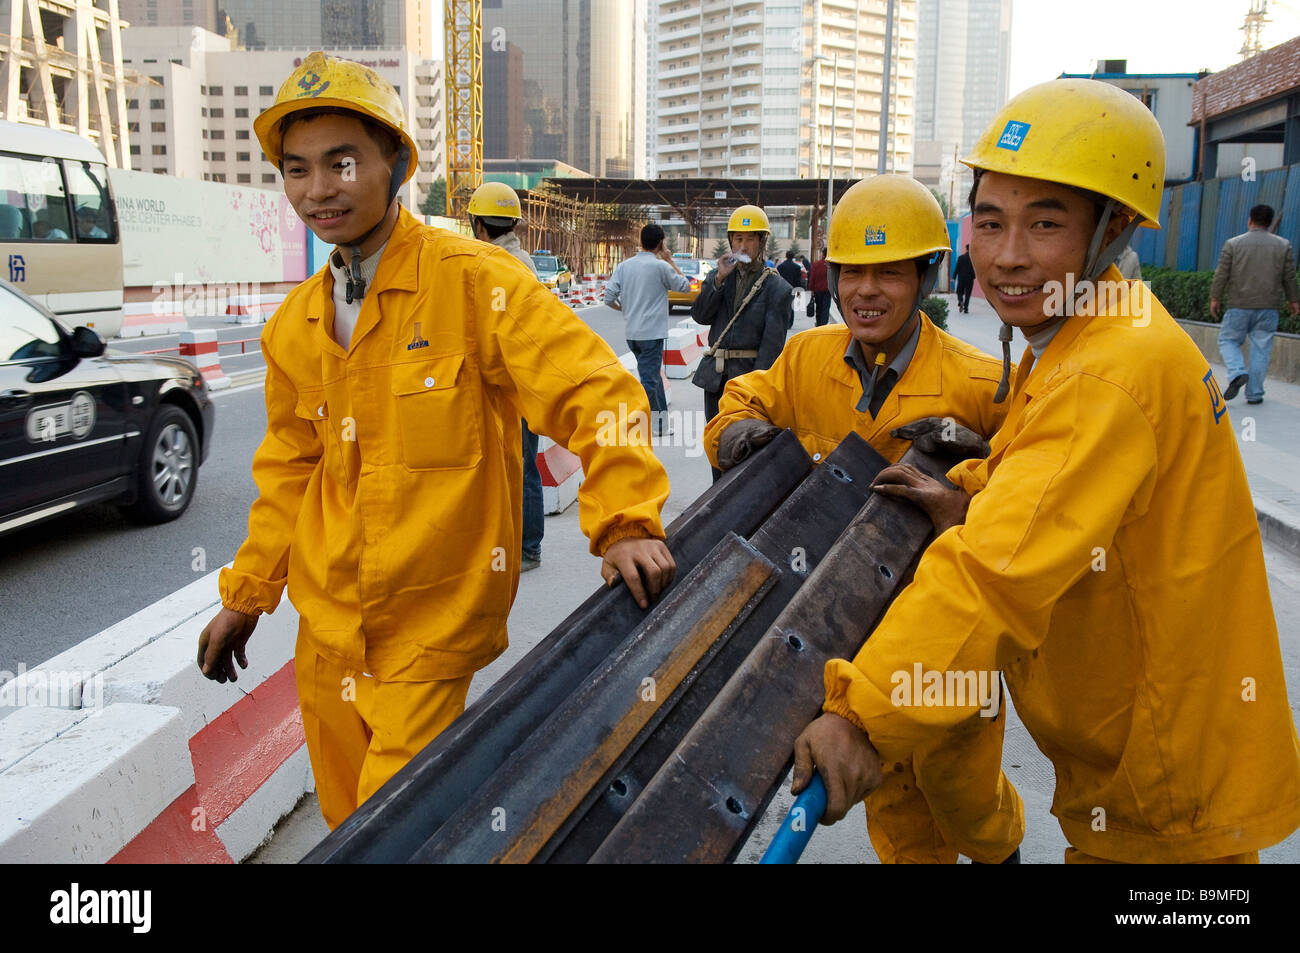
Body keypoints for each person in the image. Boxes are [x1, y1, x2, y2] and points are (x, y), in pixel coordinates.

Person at [791, 78, 1300, 864]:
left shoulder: (1105, 370)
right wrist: (965, 493)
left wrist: (861, 717)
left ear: (1115, 228)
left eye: (1047, 223)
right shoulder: (1091, 334)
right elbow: (1038, 478)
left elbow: (996, 575)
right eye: (990, 223)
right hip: (1153, 755)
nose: (1007, 256)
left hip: (1160, 784)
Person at [195, 53, 676, 831]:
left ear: (394, 162)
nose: (320, 189)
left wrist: (625, 520)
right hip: (325, 640)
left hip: (427, 634)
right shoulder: (295, 328)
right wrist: (248, 596)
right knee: (347, 826)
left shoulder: (473, 285)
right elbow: (288, 472)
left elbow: (597, 389)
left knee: (393, 838)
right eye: (298, 169)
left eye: (343, 162)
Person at [703, 175, 1022, 864]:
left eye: (889, 273)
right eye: (852, 272)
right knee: (902, 818)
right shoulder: (808, 358)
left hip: (940, 628)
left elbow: (1030, 499)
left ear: (926, 277)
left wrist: (961, 505)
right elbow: (739, 402)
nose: (866, 291)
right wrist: (746, 441)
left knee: (968, 797)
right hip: (839, 620)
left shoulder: (979, 383)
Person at [467, 181, 544, 572]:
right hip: (527, 383)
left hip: (496, 387)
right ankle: (527, 546)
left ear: (479, 225)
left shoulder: (480, 266)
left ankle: (520, 547)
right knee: (526, 464)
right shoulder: (526, 264)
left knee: (497, 469)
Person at [691, 204, 792, 480]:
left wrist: (758, 388)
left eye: (750, 239)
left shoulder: (777, 288)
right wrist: (719, 280)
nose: (743, 245)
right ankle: (716, 494)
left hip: (748, 378)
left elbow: (772, 348)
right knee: (716, 444)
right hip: (715, 378)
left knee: (744, 449)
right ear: (730, 241)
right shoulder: (719, 277)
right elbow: (700, 315)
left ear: (762, 242)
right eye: (738, 239)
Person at [603, 224, 691, 437]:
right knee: (649, 382)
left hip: (632, 334)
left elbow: (608, 298)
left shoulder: (625, 266)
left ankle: (661, 426)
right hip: (652, 335)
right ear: (661, 243)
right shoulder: (661, 267)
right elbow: (685, 286)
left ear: (641, 241)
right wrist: (669, 260)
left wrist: (625, 308)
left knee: (654, 377)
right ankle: (630, 423)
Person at [1210, 203, 1299, 405]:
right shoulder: (1283, 245)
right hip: (1269, 306)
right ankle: (1255, 394)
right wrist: (1294, 300)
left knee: (1227, 340)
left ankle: (1237, 373)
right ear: (1268, 222)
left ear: (1249, 220)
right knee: (1261, 348)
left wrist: (1215, 298)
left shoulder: (1233, 244)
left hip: (1239, 304)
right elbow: (1289, 277)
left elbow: (1221, 274)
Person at [777, 250, 806, 329]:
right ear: (793, 257)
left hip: (782, 288)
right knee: (791, 306)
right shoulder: (796, 267)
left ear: (786, 256)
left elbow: (778, 279)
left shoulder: (780, 267)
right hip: (793, 288)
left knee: (783, 305)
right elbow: (798, 280)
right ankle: (790, 322)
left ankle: (784, 321)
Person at [809, 246, 832, 326]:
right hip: (828, 290)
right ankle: (824, 324)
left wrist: (811, 289)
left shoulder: (816, 265)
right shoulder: (831, 265)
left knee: (819, 307)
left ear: (823, 254)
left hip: (818, 289)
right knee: (826, 308)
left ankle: (819, 323)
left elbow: (812, 277)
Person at [953, 244, 975, 313]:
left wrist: (954, 277)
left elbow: (957, 268)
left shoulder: (961, 258)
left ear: (966, 249)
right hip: (970, 278)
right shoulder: (973, 259)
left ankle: (960, 301)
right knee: (968, 294)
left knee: (959, 292)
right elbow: (975, 269)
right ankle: (966, 309)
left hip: (961, 278)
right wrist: (974, 276)